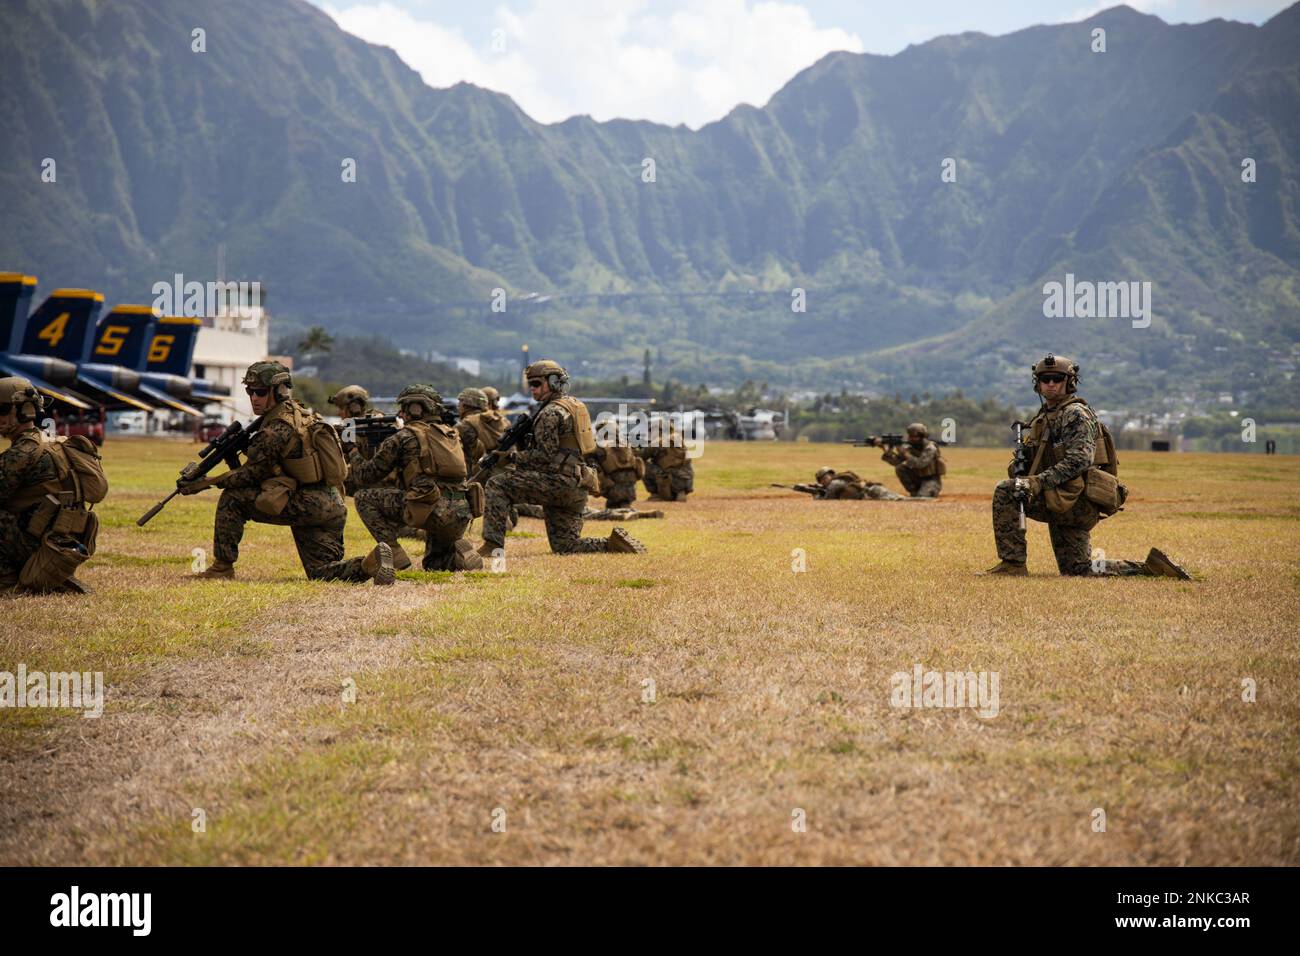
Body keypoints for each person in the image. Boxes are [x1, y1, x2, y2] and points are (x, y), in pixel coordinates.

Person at [980, 354, 1192, 579]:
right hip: (1063, 497)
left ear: (1069, 382)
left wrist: (1036, 482)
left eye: (1057, 378)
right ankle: (1151, 569)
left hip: (1075, 500)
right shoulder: (1046, 416)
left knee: (1007, 490)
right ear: (1038, 384)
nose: (1050, 383)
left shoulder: (1075, 414)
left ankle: (1013, 564)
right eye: (1045, 379)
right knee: (1078, 569)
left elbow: (1079, 460)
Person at [183, 362, 390, 583]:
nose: (254, 397)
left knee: (232, 499)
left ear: (278, 391)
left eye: (260, 391)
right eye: (250, 391)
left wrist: (209, 481)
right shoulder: (302, 414)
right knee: (321, 573)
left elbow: (252, 475)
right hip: (332, 504)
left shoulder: (276, 428)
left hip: (308, 503)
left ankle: (222, 568)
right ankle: (370, 563)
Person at [479, 360, 646, 556]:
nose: (532, 389)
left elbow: (544, 456)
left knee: (497, 484)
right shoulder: (575, 406)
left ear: (553, 382)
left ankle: (492, 546)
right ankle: (612, 545)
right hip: (577, 485)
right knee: (566, 546)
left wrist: (512, 457)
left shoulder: (550, 413)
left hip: (556, 483)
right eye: (530, 384)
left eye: (536, 384)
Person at [346, 384, 483, 573]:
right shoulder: (452, 434)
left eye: (404, 408)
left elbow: (365, 476)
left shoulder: (404, 437)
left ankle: (393, 554)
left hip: (429, 510)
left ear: (415, 407)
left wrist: (353, 451)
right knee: (434, 566)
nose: (401, 413)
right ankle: (458, 558)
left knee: (363, 497)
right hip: (461, 514)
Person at [0, 377, 104, 594]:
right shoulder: (54, 442)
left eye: (2, 410)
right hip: (60, 545)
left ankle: (8, 579)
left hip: (39, 545)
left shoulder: (23, 453)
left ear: (21, 412)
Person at [881, 423, 944, 497]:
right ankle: (914, 491)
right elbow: (896, 462)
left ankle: (923, 492)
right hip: (917, 478)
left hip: (931, 480)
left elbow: (920, 464)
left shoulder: (930, 448)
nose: (909, 438)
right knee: (900, 468)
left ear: (922, 437)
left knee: (922, 498)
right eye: (909, 436)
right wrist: (886, 451)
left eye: (913, 436)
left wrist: (905, 454)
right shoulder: (910, 447)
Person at [640, 417, 694, 501]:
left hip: (670, 479)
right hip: (686, 480)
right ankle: (679, 492)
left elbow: (641, 456)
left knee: (641, 463)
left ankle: (656, 494)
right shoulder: (678, 439)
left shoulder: (658, 442)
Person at [813, 466, 903, 500]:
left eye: (823, 480)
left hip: (873, 493)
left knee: (904, 500)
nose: (823, 482)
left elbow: (828, 499)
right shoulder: (841, 479)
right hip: (874, 491)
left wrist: (816, 494)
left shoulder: (834, 483)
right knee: (904, 499)